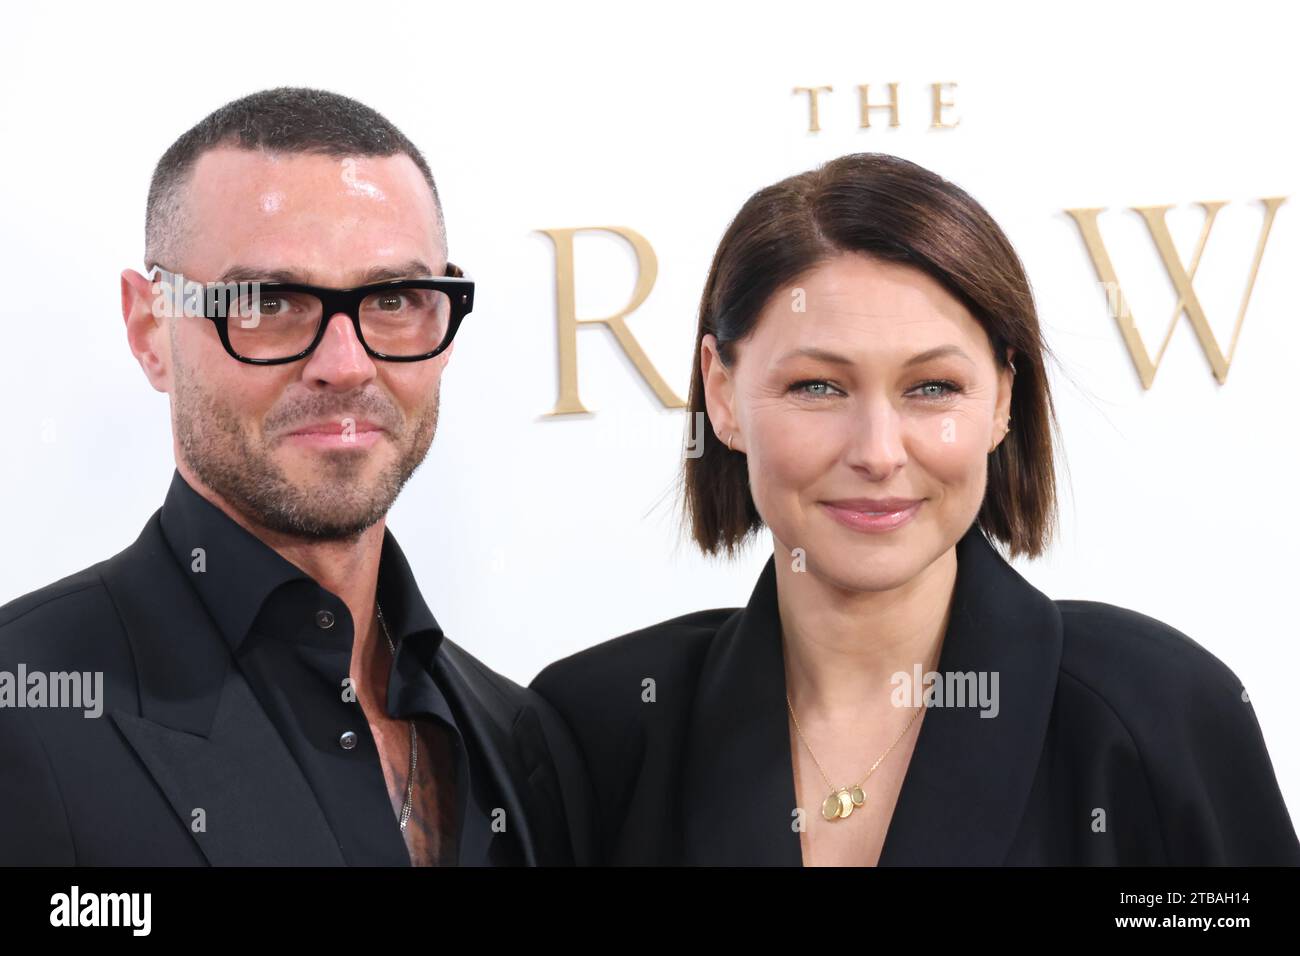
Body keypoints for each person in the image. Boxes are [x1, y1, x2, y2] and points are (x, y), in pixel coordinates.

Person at [530, 152, 1300, 866]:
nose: (878, 451)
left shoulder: (1158, 714)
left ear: (1002, 398)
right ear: (723, 395)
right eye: (817, 387)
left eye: (932, 388)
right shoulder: (596, 729)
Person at [0, 87, 593, 866]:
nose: (344, 366)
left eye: (392, 299)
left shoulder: (519, 739)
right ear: (151, 329)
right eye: (269, 302)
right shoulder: (25, 707)